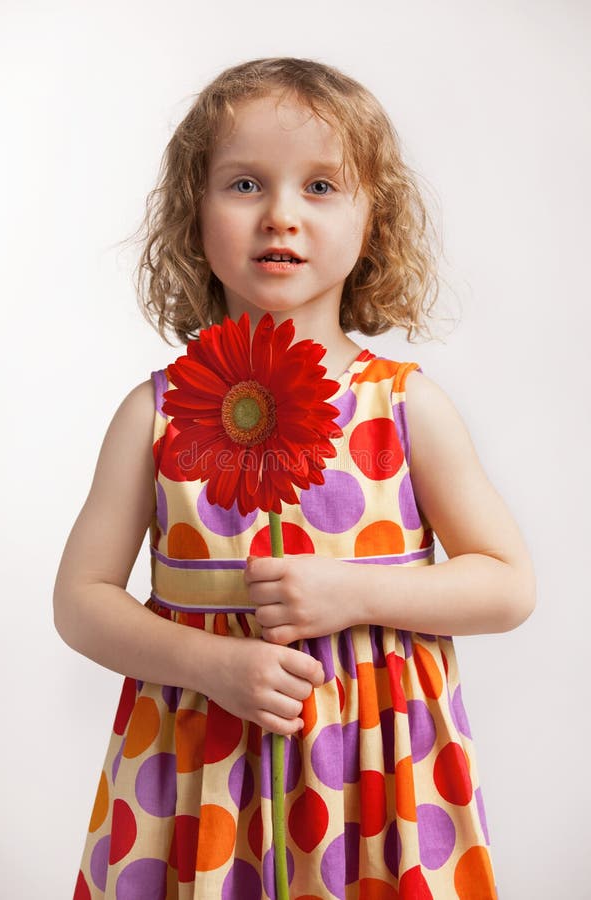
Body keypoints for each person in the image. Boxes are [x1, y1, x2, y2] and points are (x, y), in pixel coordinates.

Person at [54, 57, 535, 899]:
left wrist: (355, 594)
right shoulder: (155, 415)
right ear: (192, 214)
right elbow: (81, 599)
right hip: (199, 764)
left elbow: (506, 586)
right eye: (244, 184)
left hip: (375, 773)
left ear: (372, 221)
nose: (281, 215)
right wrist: (207, 663)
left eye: (320, 187)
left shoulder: (405, 409)